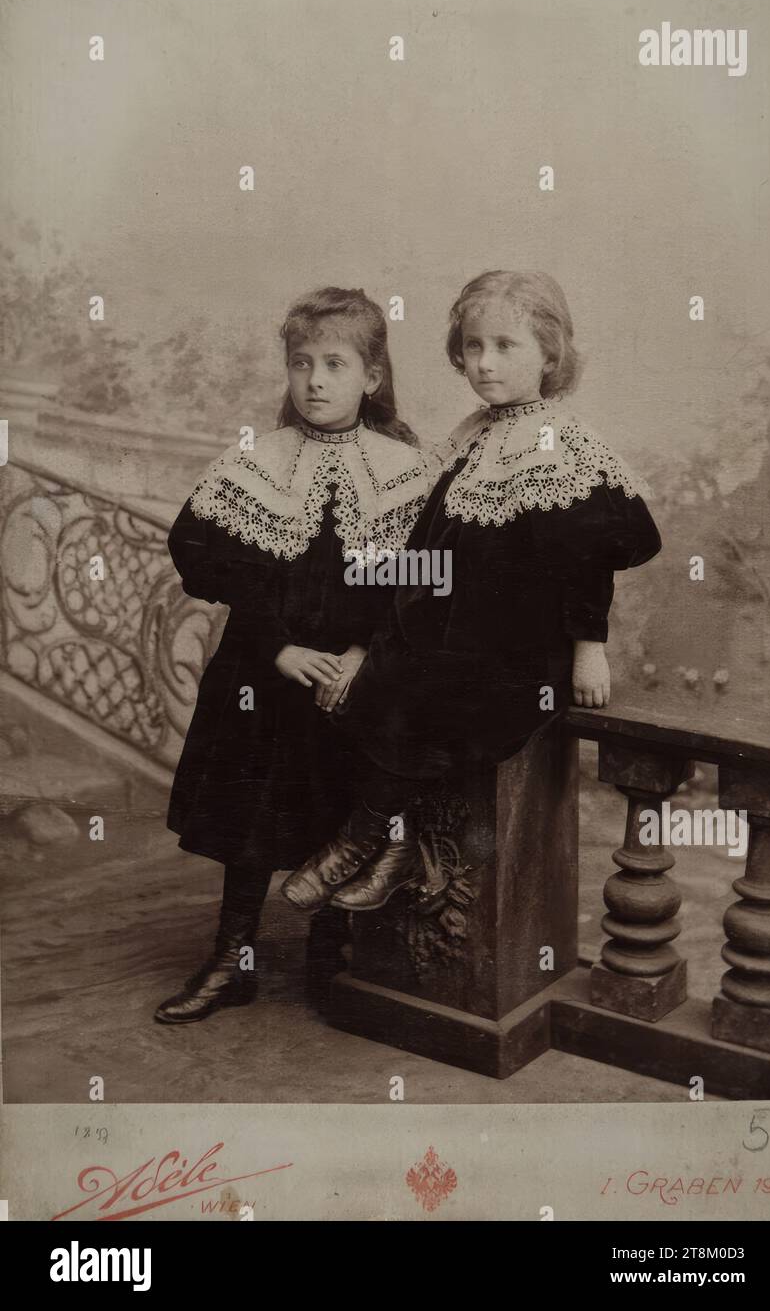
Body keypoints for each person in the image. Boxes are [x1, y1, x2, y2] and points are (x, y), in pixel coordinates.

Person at [281, 269, 663, 914]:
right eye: (474, 347)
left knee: (425, 685)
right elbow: (422, 552)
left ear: (550, 353)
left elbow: (591, 556)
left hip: (517, 647)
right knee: (374, 676)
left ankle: (361, 841)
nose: (484, 364)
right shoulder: (472, 435)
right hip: (446, 629)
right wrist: (357, 640)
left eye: (505, 347)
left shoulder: (559, 442)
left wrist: (588, 648)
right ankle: (397, 850)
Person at [154, 286, 431, 1022]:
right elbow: (200, 555)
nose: (314, 380)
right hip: (261, 673)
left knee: (337, 816)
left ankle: (329, 960)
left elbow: (418, 582)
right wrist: (276, 647)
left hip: (350, 680)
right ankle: (232, 959)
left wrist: (358, 652)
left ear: (370, 377)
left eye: (334, 364)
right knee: (251, 817)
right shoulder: (258, 461)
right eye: (301, 363)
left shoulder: (403, 469)